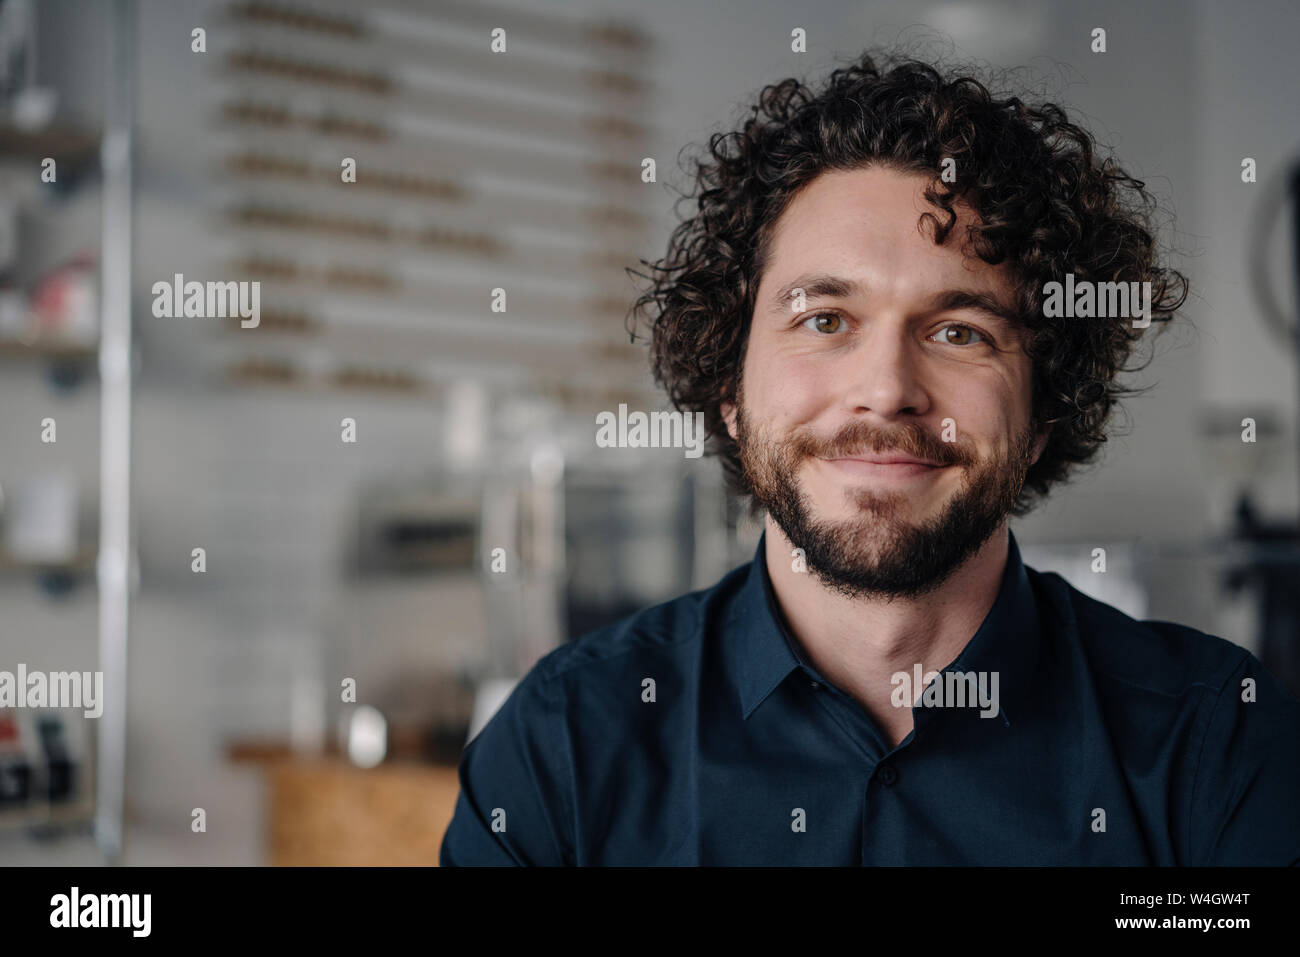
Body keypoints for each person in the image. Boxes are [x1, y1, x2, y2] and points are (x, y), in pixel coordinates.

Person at [440, 51, 1300, 865]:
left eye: (958, 331)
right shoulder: (561, 747)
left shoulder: (1216, 747)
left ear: (1044, 409)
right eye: (824, 320)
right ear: (730, 392)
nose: (887, 389)